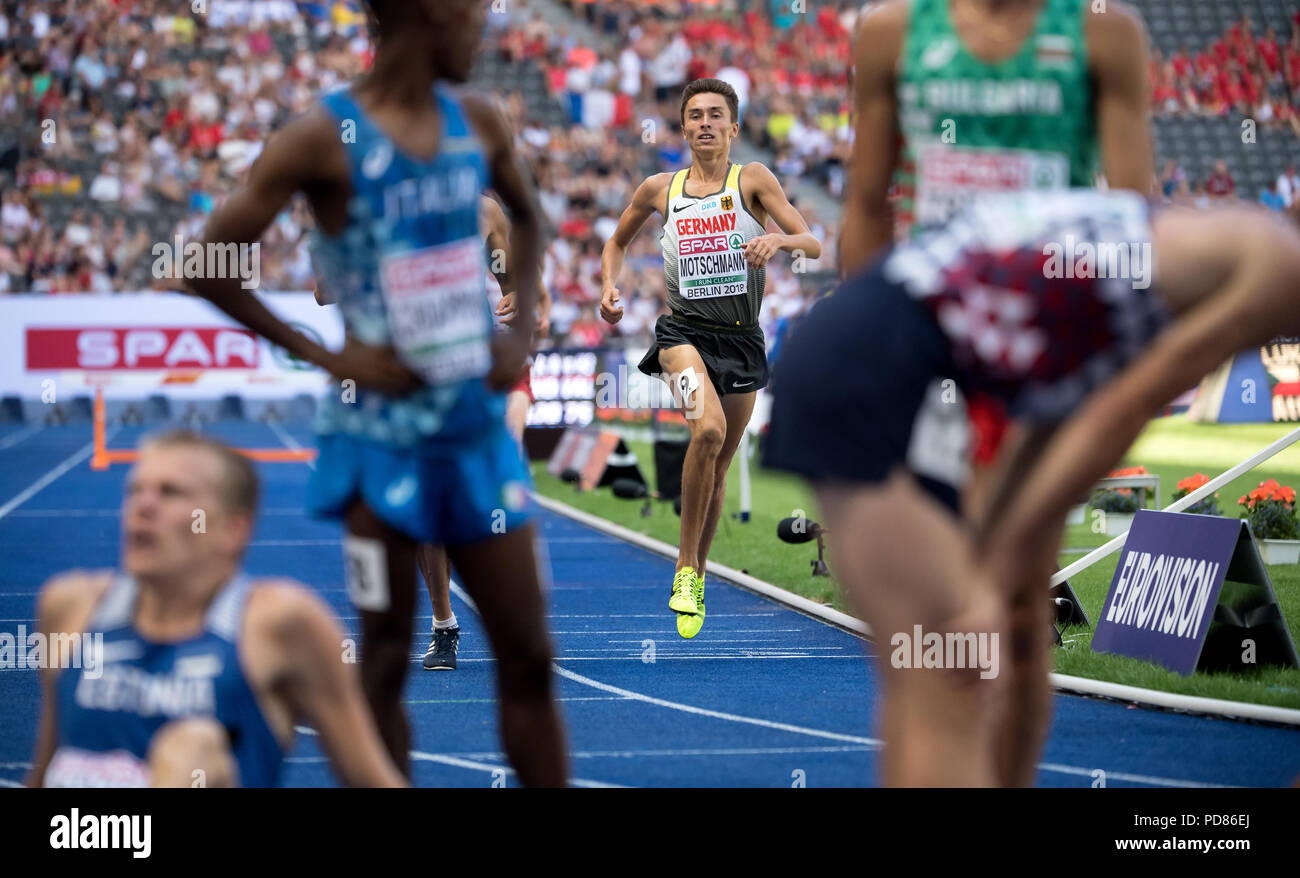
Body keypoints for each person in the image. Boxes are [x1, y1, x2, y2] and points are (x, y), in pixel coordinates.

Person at [764, 189, 1300, 785]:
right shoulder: (1277, 268)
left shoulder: (1186, 247)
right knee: (954, 671)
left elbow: (1048, 421)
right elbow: (1116, 415)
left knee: (938, 673)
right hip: (880, 363)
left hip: (880, 350)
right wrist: (992, 571)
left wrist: (989, 554)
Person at [187, 0, 567, 786]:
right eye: (471, 17)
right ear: (425, 15)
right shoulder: (321, 135)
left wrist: (520, 329)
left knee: (528, 651)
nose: (483, 34)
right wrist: (326, 357)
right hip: (377, 440)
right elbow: (209, 260)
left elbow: (528, 218)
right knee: (385, 654)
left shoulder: (480, 122)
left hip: (472, 431)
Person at [26, 432, 405, 788]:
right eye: (135, 490)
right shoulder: (70, 606)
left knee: (192, 749)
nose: (143, 506)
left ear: (233, 528)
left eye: (170, 492)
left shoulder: (280, 622)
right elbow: (44, 771)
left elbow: (372, 780)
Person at [600, 78, 821, 639]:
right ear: (682, 127)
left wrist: (781, 243)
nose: (704, 123)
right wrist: (608, 287)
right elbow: (616, 242)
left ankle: (697, 574)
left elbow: (813, 242)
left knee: (719, 466)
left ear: (734, 128)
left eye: (714, 115)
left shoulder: (753, 180)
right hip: (682, 334)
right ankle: (683, 568)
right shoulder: (659, 188)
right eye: (694, 114)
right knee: (706, 434)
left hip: (742, 340)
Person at [416, 193, 552, 672]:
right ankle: (443, 625)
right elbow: (325, 291)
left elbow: (512, 279)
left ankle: (515, 610)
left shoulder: (482, 210)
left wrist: (519, 295)